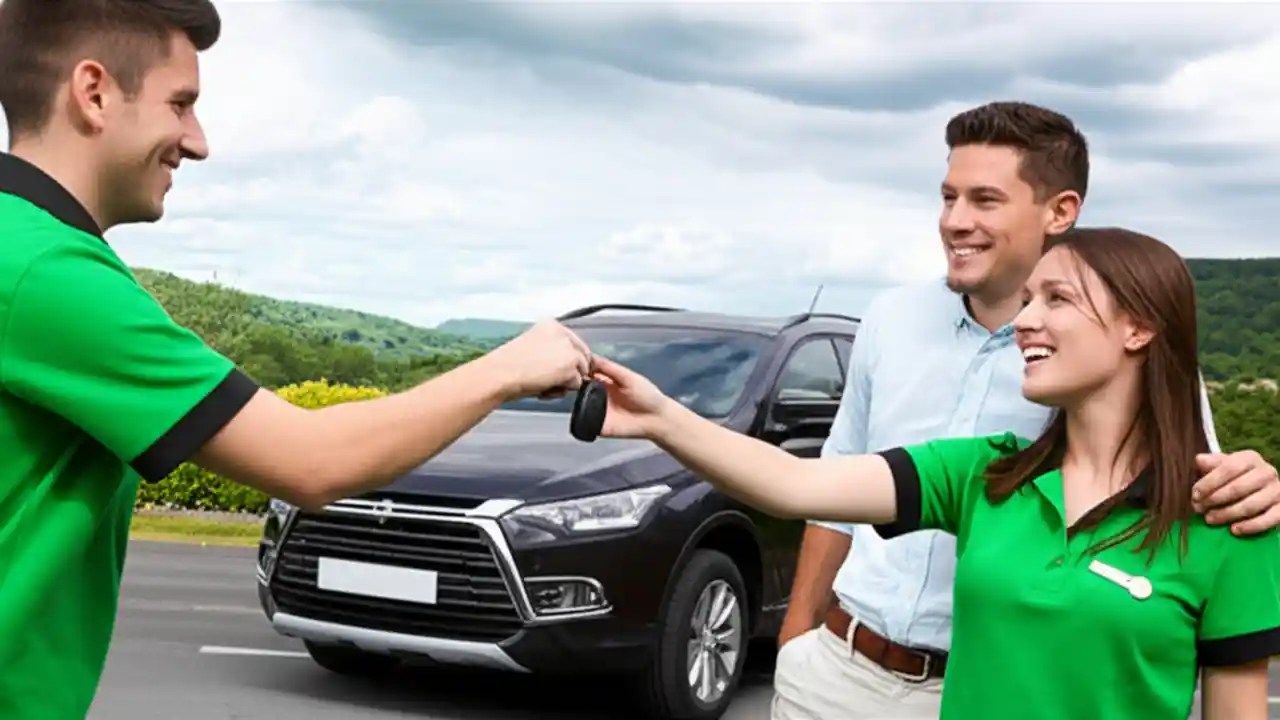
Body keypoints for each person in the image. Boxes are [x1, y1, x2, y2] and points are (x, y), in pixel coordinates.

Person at [0, 2, 592, 717]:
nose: (198, 141)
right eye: (180, 104)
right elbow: (311, 461)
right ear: (93, 93)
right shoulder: (45, 275)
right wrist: (509, 367)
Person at [588, 226, 1280, 720]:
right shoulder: (985, 474)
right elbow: (794, 485)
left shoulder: (1224, 520)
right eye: (1029, 300)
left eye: (1057, 300)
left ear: (1139, 327)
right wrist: (657, 415)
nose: (1027, 322)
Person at [769, 101, 1280, 718]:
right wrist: (796, 638)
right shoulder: (890, 320)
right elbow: (835, 480)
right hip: (838, 671)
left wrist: (1261, 484)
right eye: (948, 196)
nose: (955, 221)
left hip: (987, 689)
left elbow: (1201, 507)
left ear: (1060, 210)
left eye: (985, 200)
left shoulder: (1119, 360)